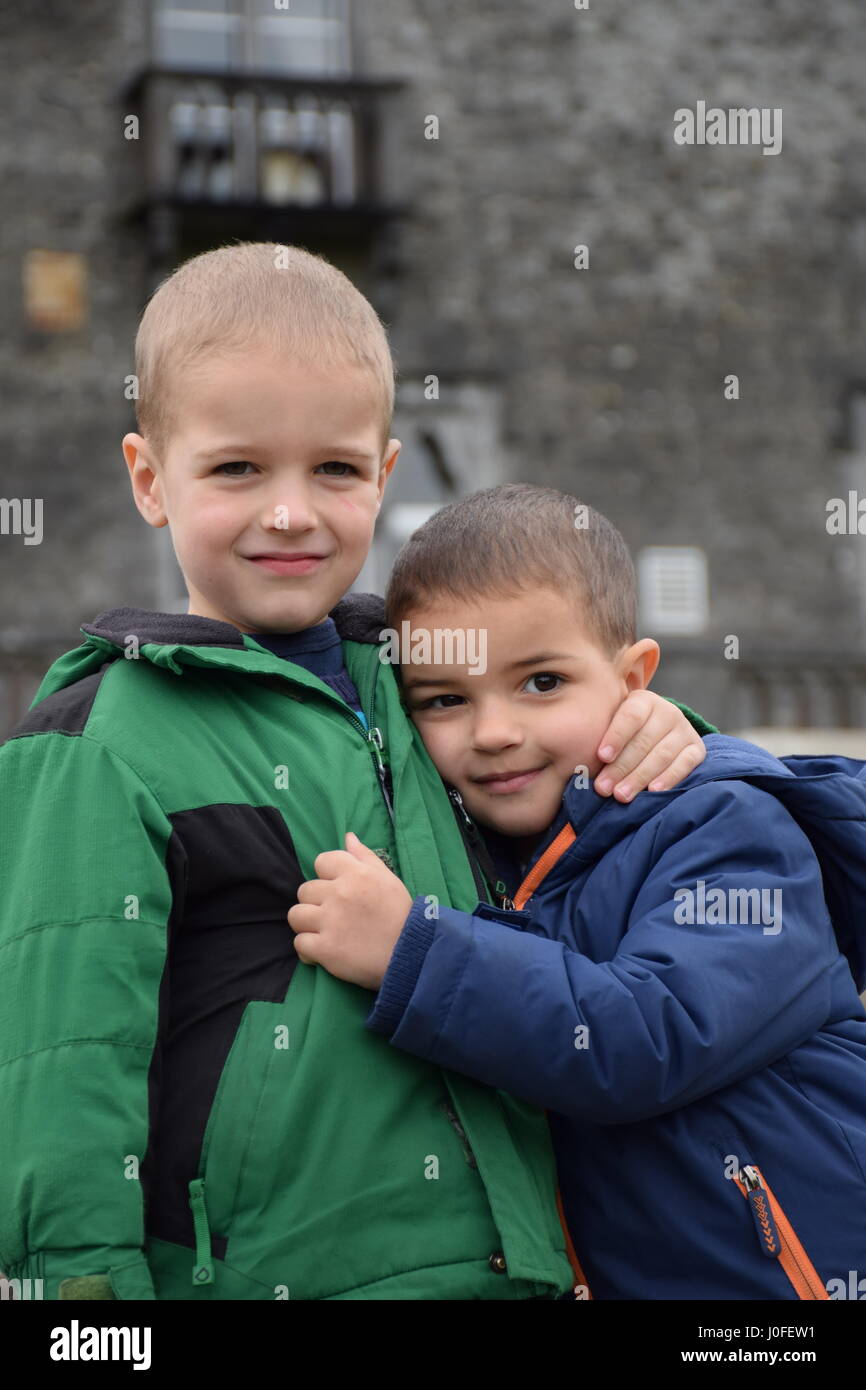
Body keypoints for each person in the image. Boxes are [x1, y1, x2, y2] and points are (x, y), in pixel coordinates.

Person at [0, 247, 709, 1301]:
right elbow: (62, 1085)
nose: (291, 512)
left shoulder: (428, 683)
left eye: (333, 470)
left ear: (384, 475)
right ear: (150, 479)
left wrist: (658, 729)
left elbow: (565, 763)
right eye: (237, 470)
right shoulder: (95, 742)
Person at [289, 482, 866, 1300]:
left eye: (542, 683)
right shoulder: (481, 856)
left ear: (634, 680)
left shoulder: (728, 827)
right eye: (446, 700)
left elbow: (641, 1039)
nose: (494, 732)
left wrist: (412, 952)